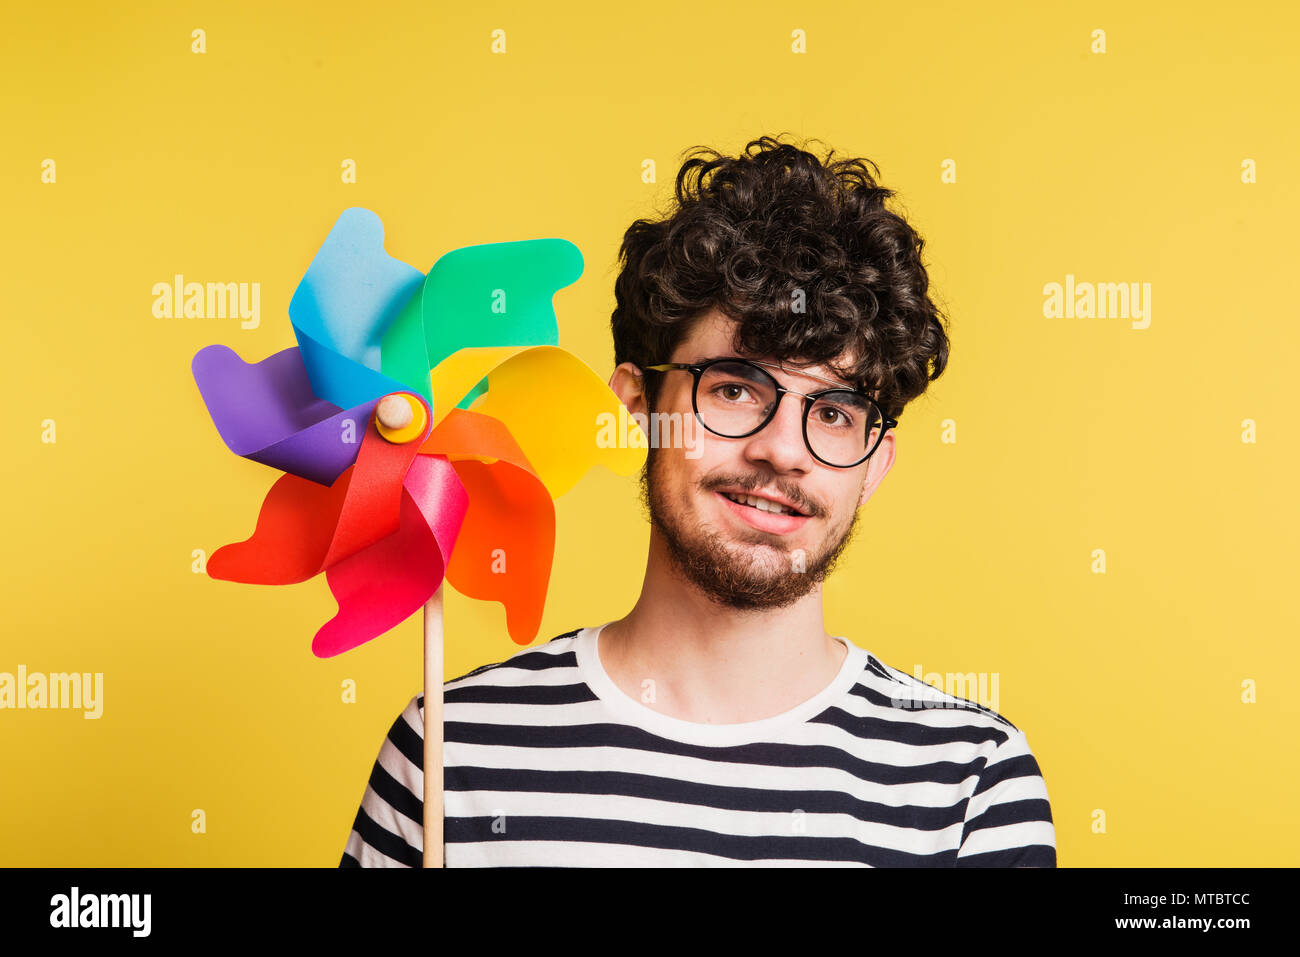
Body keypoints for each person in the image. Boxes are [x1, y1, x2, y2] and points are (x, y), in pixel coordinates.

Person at [339, 134, 1057, 867]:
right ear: (633, 408)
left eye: (836, 411)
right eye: (735, 388)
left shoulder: (972, 785)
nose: (783, 449)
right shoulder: (447, 752)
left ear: (874, 464)